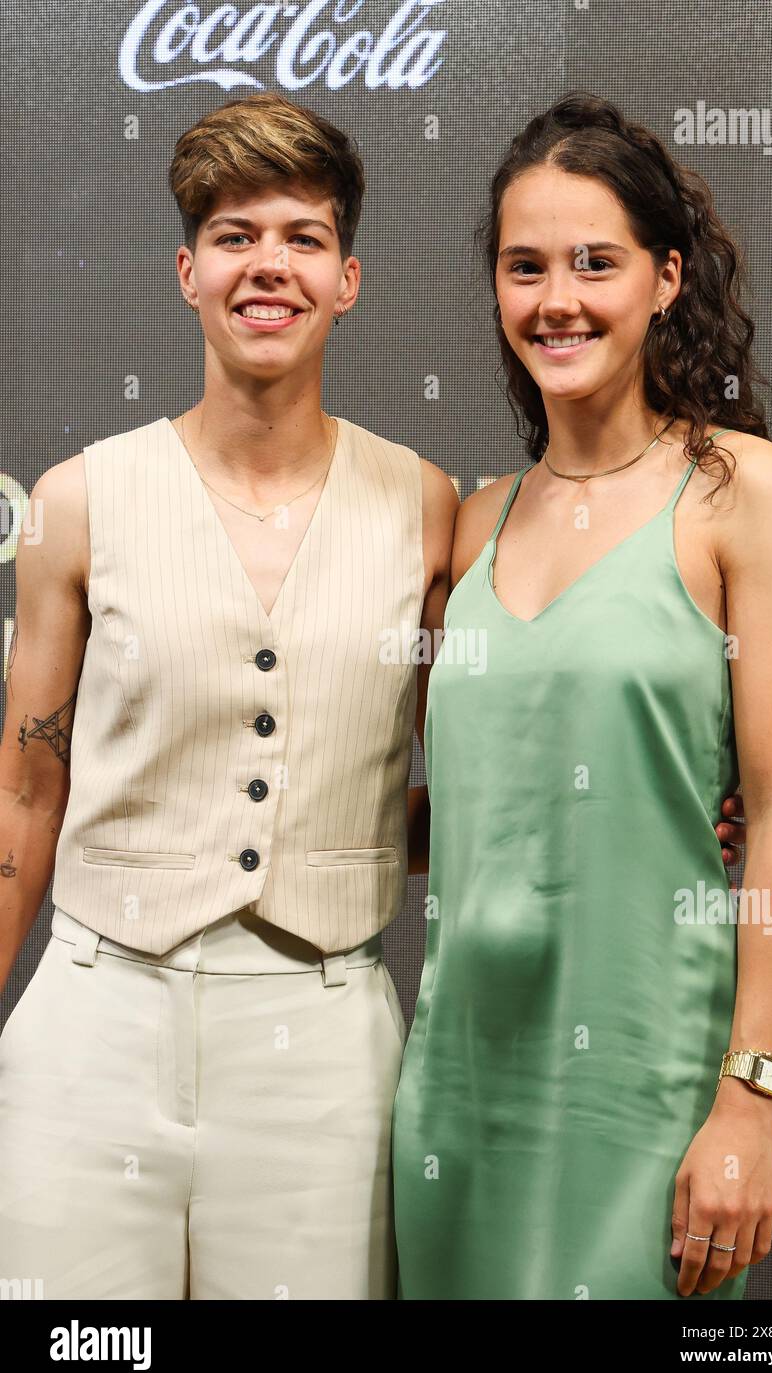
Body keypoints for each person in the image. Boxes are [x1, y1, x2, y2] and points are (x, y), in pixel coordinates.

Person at [0, 91, 463, 1300]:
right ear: (187, 270)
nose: (271, 266)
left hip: (322, 1037)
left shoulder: (426, 507)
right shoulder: (78, 500)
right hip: (94, 1023)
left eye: (304, 237)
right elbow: (24, 789)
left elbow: (467, 787)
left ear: (348, 277)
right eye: (236, 235)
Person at [391, 93, 772, 1300]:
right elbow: (473, 809)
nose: (558, 299)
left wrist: (748, 1098)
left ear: (666, 277)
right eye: (524, 266)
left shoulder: (743, 491)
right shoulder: (470, 524)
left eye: (597, 262)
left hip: (650, 1088)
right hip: (458, 1095)